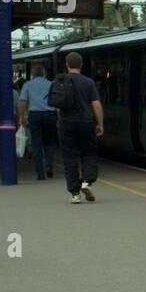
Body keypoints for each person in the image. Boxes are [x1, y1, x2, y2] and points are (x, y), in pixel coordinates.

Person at [56, 51, 104, 204]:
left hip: (65, 123)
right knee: (89, 153)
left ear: (67, 64)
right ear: (81, 64)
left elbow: (56, 104)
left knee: (69, 158)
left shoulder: (59, 81)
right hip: (85, 123)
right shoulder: (88, 82)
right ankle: (87, 182)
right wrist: (100, 123)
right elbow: (96, 104)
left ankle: (74, 194)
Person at [18, 65, 57, 180]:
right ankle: (49, 165)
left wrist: (21, 117)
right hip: (49, 115)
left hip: (34, 115)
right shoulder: (51, 84)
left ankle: (40, 173)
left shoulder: (28, 85)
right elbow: (56, 101)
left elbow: (23, 102)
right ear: (44, 73)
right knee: (49, 143)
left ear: (33, 74)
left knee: (36, 145)